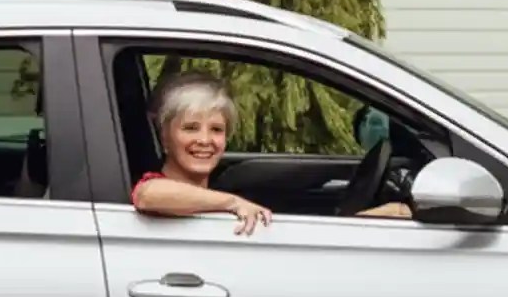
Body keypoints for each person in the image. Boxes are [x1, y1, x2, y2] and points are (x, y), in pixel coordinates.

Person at [131, 71, 411, 235]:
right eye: (191, 128)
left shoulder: (210, 195)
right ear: (165, 138)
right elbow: (148, 194)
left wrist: (367, 222)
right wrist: (233, 204)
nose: (205, 140)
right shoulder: (157, 188)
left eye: (216, 130)